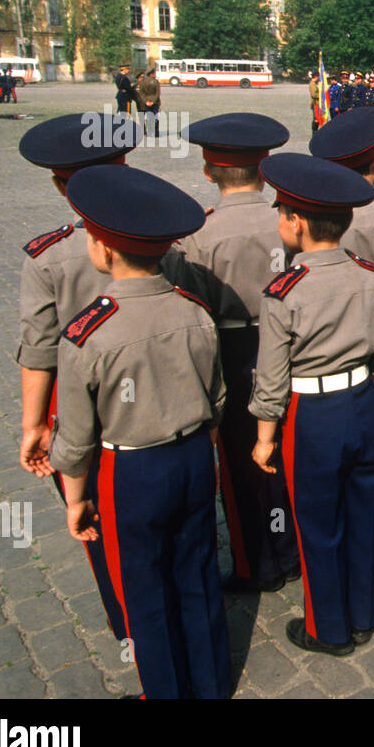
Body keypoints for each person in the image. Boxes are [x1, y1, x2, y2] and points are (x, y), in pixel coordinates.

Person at [43, 164, 229, 699]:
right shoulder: (195, 311)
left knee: (144, 588)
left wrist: (76, 499)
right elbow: (216, 397)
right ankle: (211, 683)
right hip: (194, 456)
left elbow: (75, 438)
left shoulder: (86, 333)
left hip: (130, 470)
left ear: (101, 247)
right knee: (197, 572)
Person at [247, 154, 374, 656]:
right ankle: (363, 614)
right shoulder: (373, 277)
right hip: (363, 405)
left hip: (311, 416)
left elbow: (271, 379)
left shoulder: (282, 292)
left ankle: (327, 628)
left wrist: (265, 437)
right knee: (364, 513)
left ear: (297, 222)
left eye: (282, 212)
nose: (279, 221)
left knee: (317, 523)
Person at [17, 113, 141, 643]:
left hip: (81, 412)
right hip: (153, 404)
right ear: (125, 168)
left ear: (58, 185)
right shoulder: (158, 237)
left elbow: (39, 352)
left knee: (97, 523)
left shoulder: (48, 257)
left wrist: (33, 425)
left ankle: (130, 627)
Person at [171, 112, 300, 595]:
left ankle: (257, 564)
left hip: (229, 347)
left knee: (242, 464)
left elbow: (191, 310)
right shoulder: (286, 218)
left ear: (208, 171)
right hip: (284, 339)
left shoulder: (199, 235)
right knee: (285, 450)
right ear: (264, 169)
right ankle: (293, 548)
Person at [137, 66, 161, 136]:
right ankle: (156, 132)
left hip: (146, 103)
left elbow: (141, 93)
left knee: (148, 116)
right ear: (151, 74)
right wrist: (153, 101)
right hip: (155, 102)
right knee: (156, 116)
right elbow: (157, 93)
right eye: (154, 73)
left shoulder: (142, 82)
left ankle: (149, 132)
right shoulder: (155, 81)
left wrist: (146, 101)